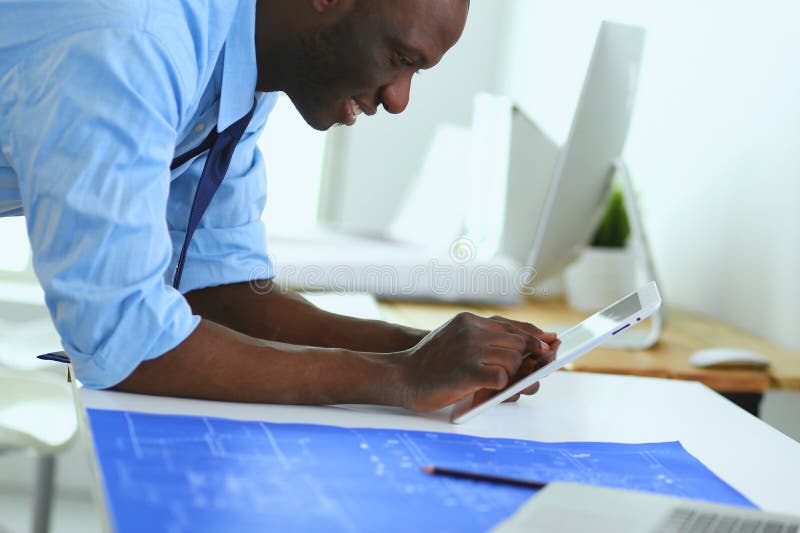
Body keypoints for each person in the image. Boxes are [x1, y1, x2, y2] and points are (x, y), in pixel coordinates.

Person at [0, 0, 559, 412]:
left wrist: (430, 349)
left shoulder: (240, 63)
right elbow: (123, 341)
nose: (399, 98)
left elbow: (220, 294)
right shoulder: (137, 39)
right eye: (400, 57)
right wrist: (396, 378)